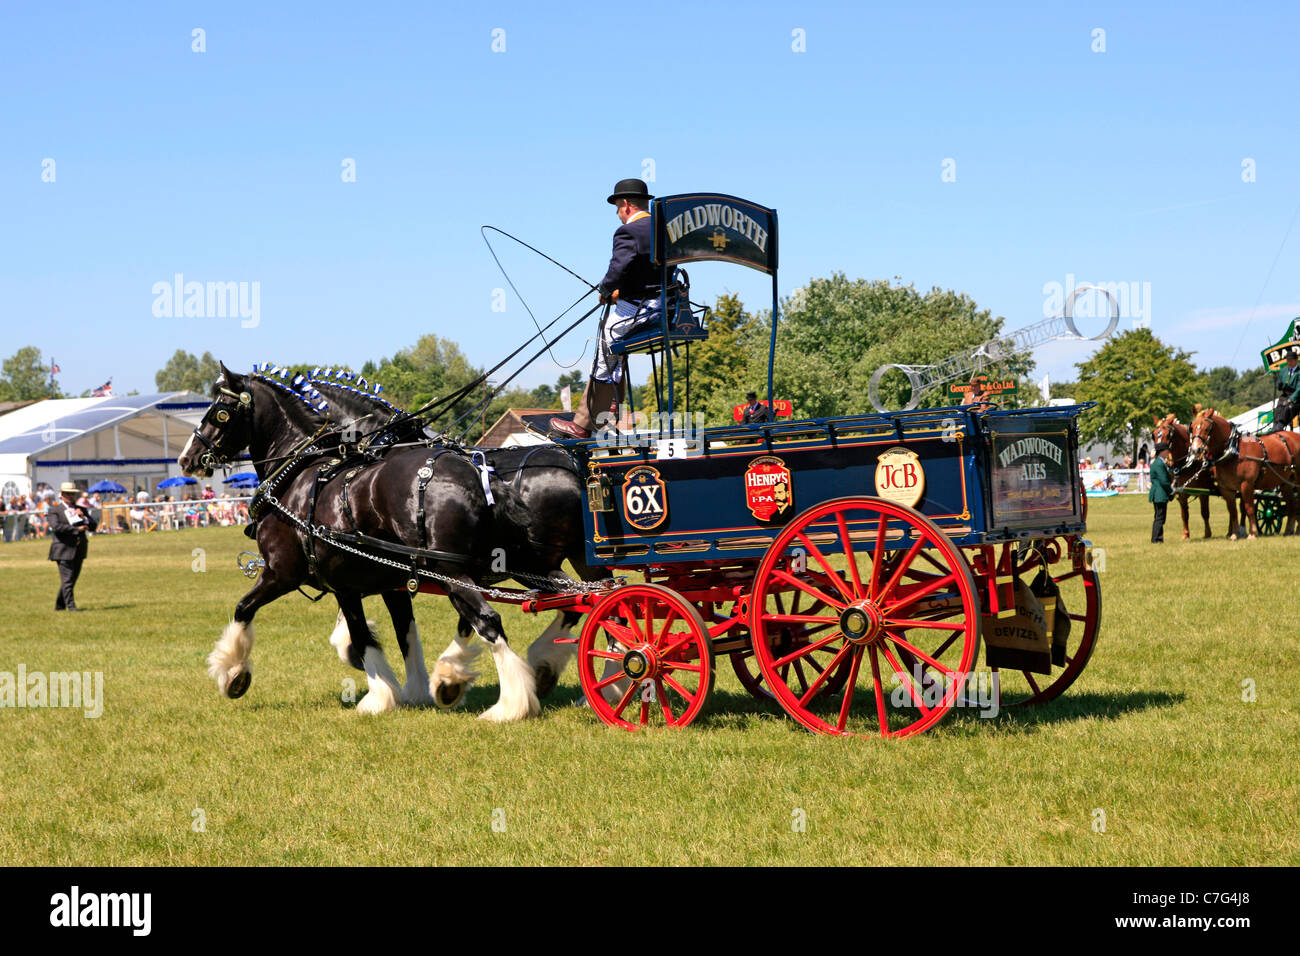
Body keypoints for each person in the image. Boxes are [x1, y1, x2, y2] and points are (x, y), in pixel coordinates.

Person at [551, 178, 660, 440]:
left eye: (617, 208)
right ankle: (611, 413)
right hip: (661, 305)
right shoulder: (662, 229)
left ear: (625, 205)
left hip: (636, 310)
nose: (617, 215)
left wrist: (605, 290)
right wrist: (623, 290)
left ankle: (583, 423)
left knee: (604, 353)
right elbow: (648, 272)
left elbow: (618, 269)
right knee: (615, 356)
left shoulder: (628, 231)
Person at [48, 481, 97, 610]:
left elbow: (93, 526)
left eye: (72, 494)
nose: (71, 496)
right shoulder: (55, 510)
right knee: (68, 579)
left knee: (71, 580)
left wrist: (84, 518)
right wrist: (77, 530)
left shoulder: (81, 509)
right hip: (63, 549)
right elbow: (56, 527)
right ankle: (71, 607)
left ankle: (59, 606)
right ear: (62, 495)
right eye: (68, 494)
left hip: (79, 548)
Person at [1148, 442, 1173, 544]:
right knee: (1160, 518)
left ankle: (1158, 538)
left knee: (1159, 517)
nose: (1168, 452)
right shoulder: (1159, 463)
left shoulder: (1160, 462)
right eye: (1167, 450)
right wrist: (1172, 490)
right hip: (1160, 493)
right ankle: (1156, 539)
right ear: (1162, 451)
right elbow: (1163, 480)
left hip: (1159, 493)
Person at [1273, 352, 1300, 431]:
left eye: (1291, 361)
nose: (1289, 363)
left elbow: (1299, 389)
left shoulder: (1299, 372)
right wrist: (1279, 384)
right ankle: (1275, 425)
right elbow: (1279, 387)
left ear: (1296, 360)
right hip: (1284, 395)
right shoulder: (1283, 371)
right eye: (1288, 361)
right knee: (1279, 407)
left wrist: (1291, 399)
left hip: (1296, 397)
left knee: (1287, 407)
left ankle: (1280, 424)